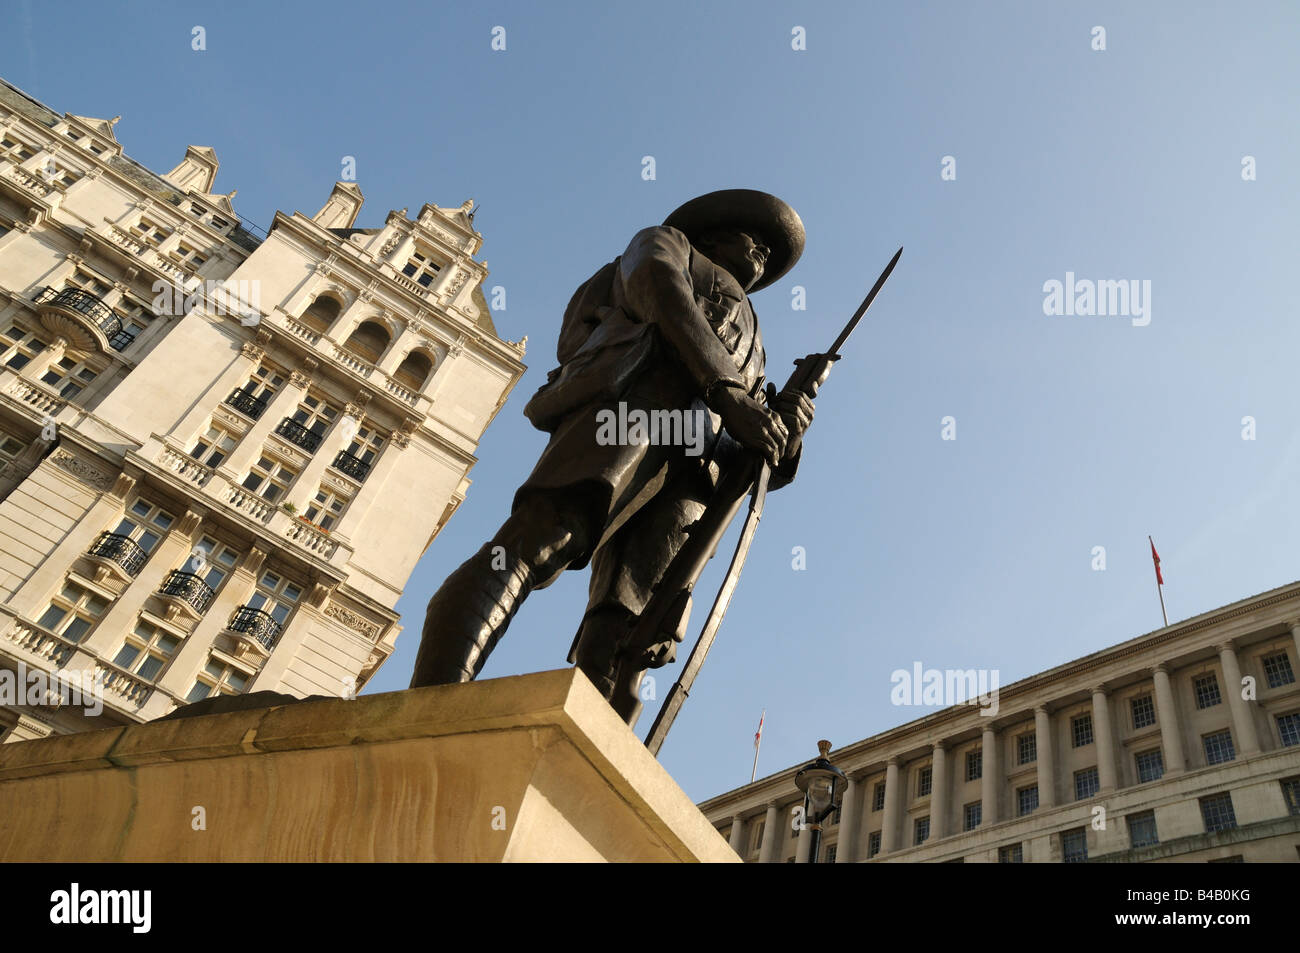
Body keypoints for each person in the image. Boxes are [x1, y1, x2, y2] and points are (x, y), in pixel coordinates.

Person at [410, 189, 827, 724]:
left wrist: (786, 430)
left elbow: (755, 448)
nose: (762, 254)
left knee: (632, 625)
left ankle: (585, 761)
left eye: (770, 252)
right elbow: (660, 288)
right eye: (754, 239)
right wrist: (729, 391)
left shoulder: (758, 340)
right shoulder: (669, 245)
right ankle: (432, 706)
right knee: (538, 541)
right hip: (635, 412)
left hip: (695, 471)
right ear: (716, 233)